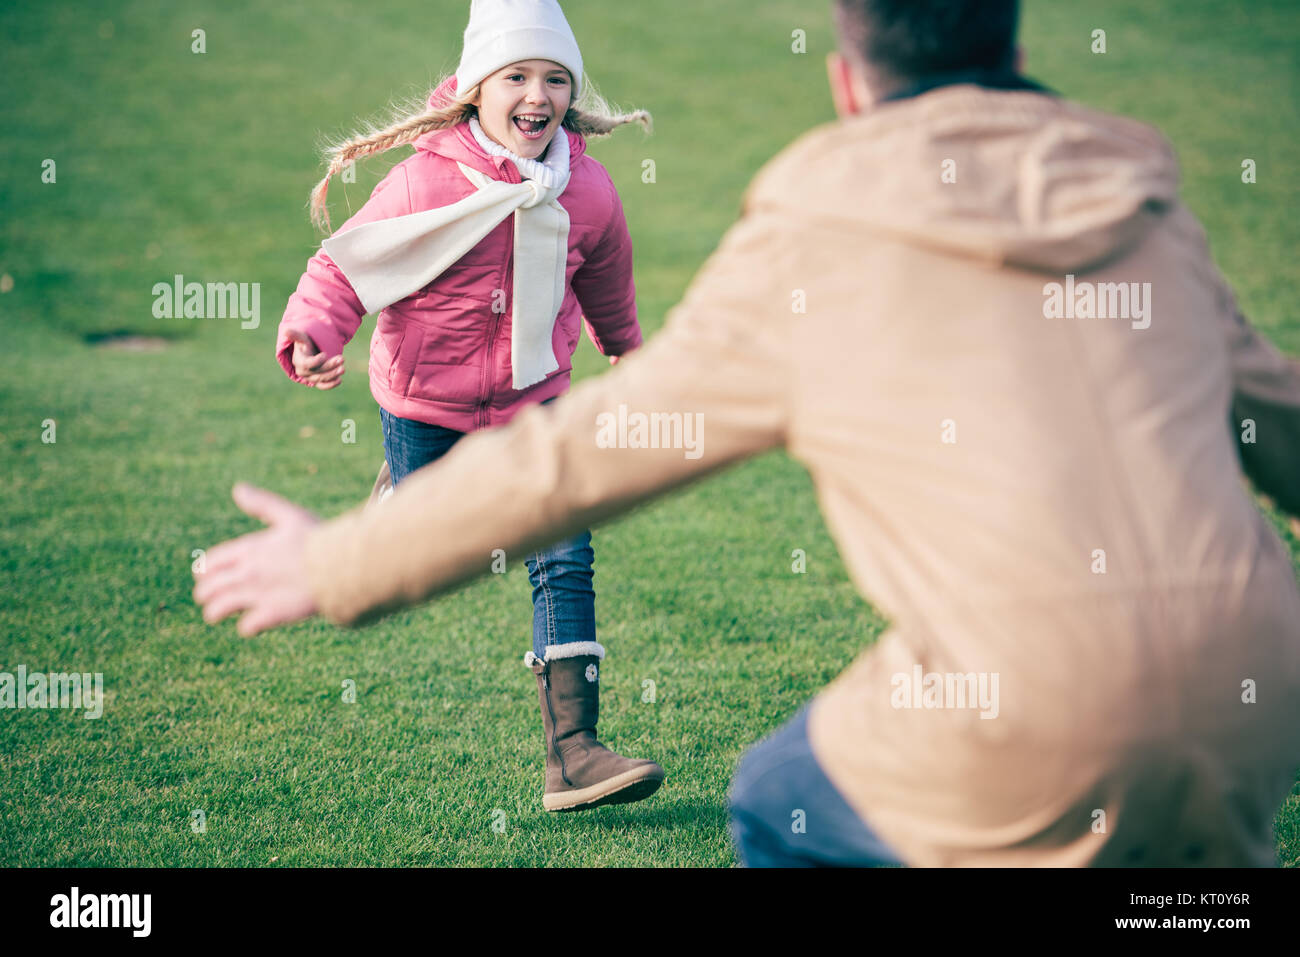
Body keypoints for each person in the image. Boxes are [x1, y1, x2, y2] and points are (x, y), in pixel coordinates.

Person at [196, 0, 1300, 866]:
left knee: (781, 804)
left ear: (848, 85)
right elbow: (1281, 424)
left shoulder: (815, 227)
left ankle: (575, 744)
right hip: (1261, 680)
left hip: (1029, 705)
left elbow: (587, 452)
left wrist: (335, 562)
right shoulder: (1150, 215)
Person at [271, 0, 664, 813]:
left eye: (556, 78)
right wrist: (312, 330)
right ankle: (398, 491)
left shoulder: (584, 190)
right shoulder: (424, 180)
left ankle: (574, 753)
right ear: (475, 89)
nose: (538, 93)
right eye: (516, 75)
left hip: (534, 402)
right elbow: (346, 268)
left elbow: (605, 280)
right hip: (426, 401)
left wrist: (624, 346)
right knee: (419, 546)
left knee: (562, 552)